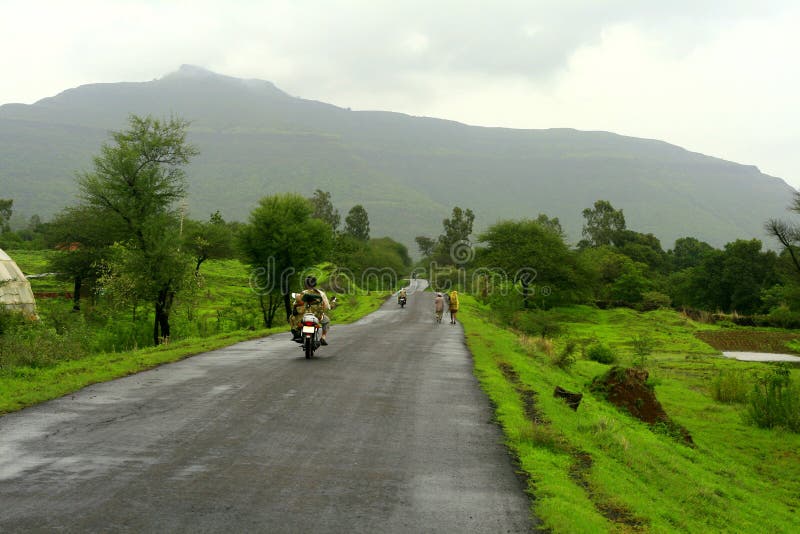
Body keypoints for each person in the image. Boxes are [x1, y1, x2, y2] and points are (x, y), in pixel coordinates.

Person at [291, 276, 334, 345]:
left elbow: (296, 304)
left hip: (303, 316)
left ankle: (297, 334)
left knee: (294, 318)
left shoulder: (302, 293)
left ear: (306, 284)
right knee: (327, 321)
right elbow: (326, 306)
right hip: (317, 316)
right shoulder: (321, 293)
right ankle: (323, 338)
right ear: (315, 284)